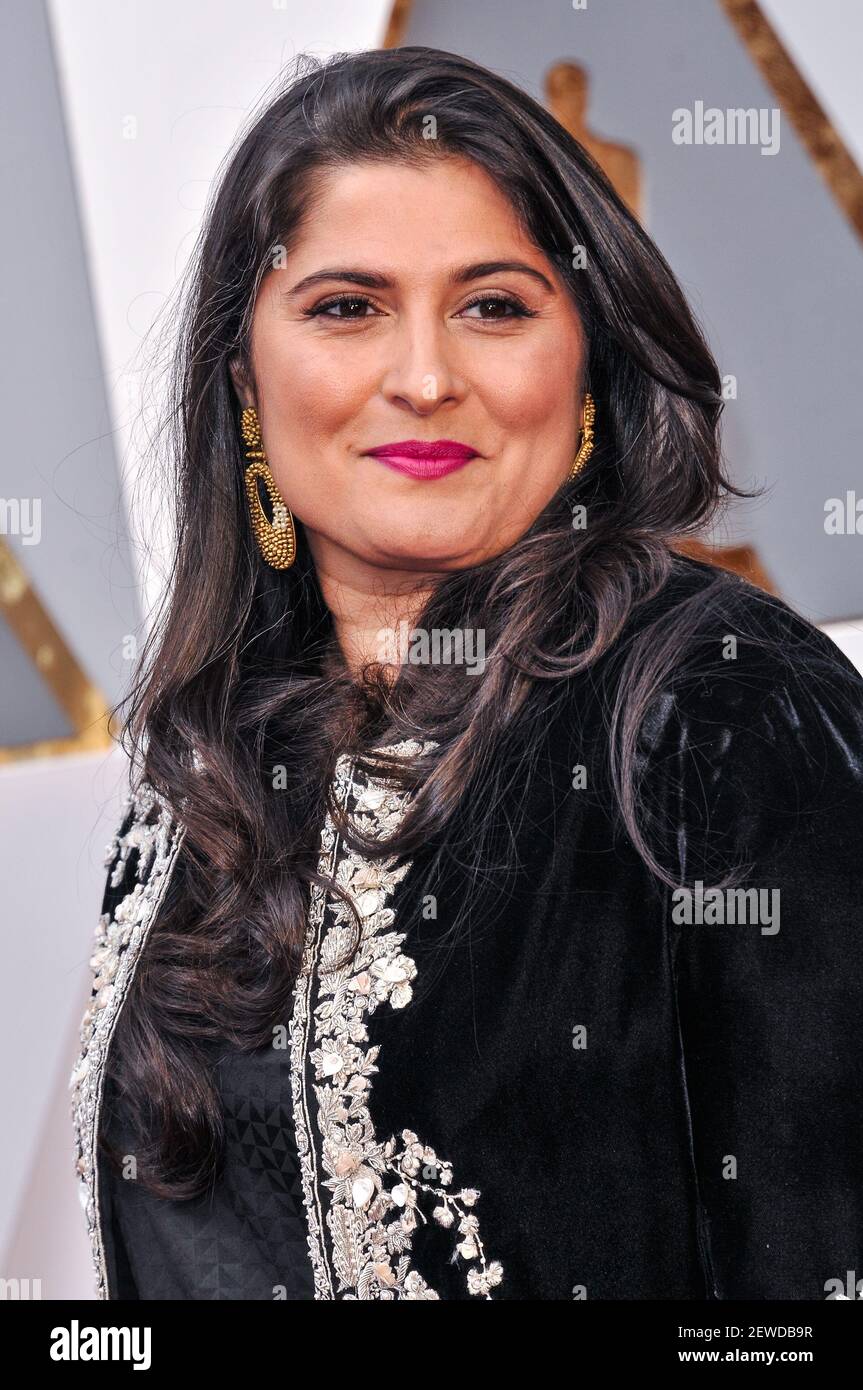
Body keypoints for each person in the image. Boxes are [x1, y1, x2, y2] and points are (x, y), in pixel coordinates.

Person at [70, 45, 863, 1301]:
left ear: (589, 367)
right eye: (347, 307)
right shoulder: (208, 766)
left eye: (493, 304)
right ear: (244, 380)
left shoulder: (713, 711)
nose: (425, 377)